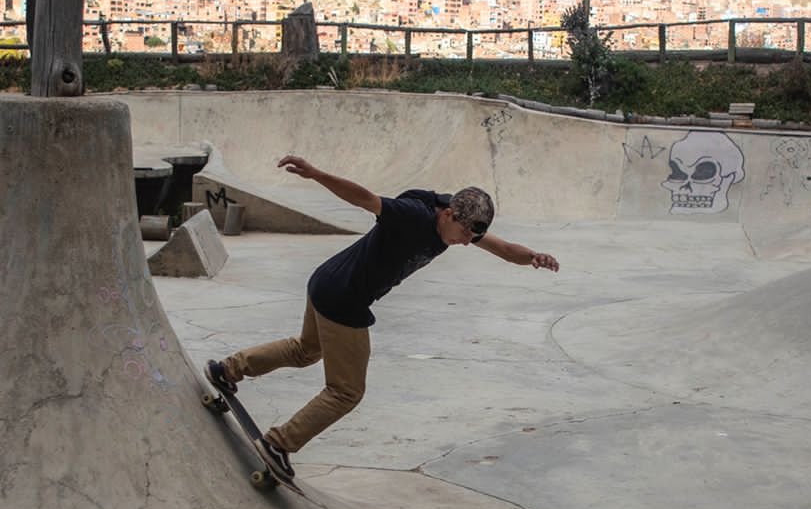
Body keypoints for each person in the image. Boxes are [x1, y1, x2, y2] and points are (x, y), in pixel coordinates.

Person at [209, 155, 560, 477]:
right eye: (465, 234)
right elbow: (364, 198)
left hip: (326, 281)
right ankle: (278, 443)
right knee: (346, 392)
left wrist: (532, 257)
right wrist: (316, 174)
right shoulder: (412, 215)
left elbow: (501, 247)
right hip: (343, 300)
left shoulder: (456, 214)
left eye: (473, 236)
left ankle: (228, 369)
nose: (467, 242)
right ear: (449, 215)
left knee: (305, 350)